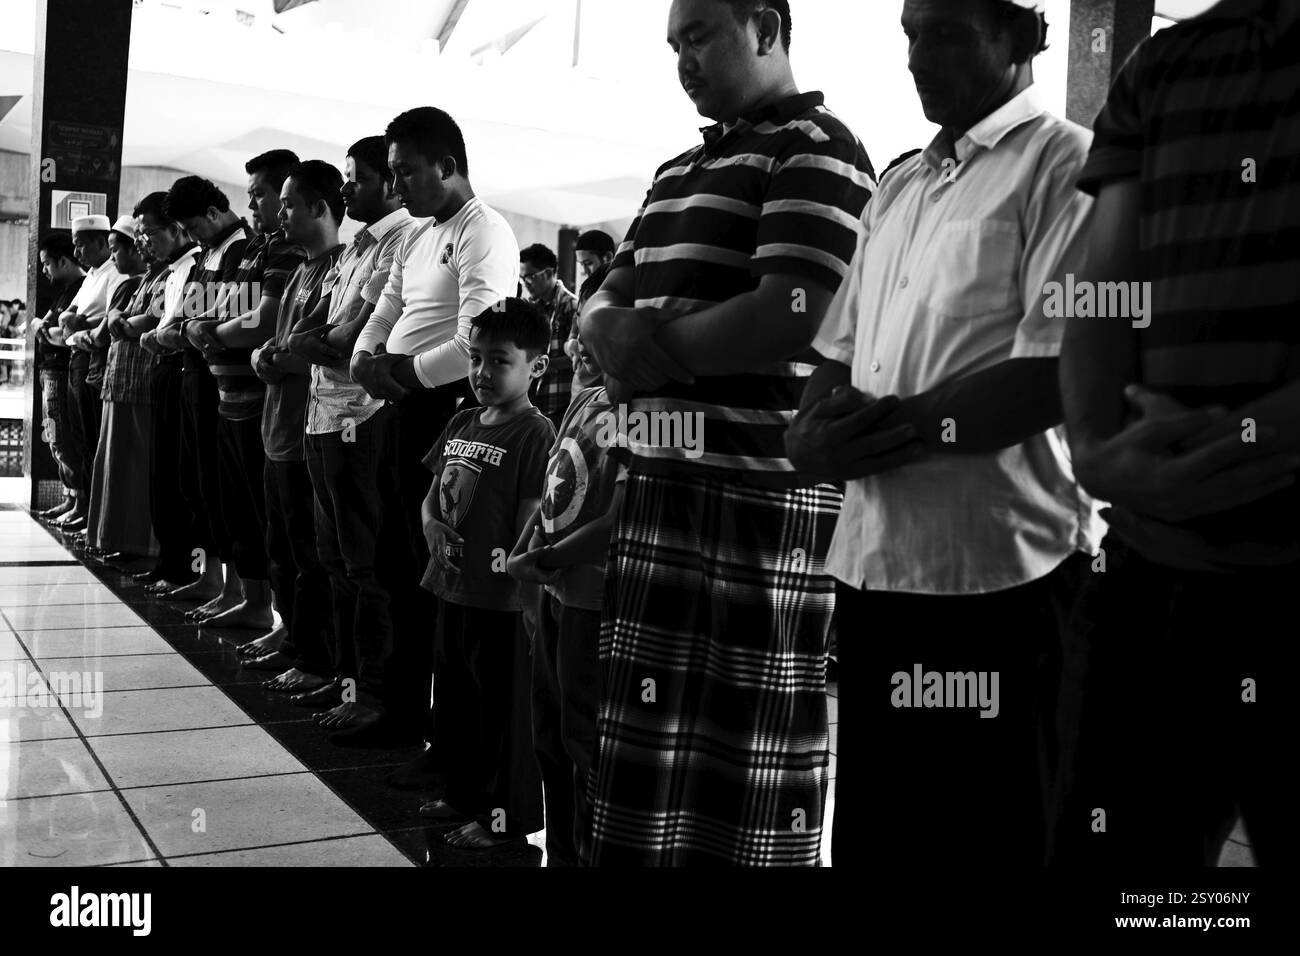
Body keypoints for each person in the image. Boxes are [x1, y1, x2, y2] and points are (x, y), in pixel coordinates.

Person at [786, 0, 1098, 868]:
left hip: (1001, 582)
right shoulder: (899, 184)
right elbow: (840, 351)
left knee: (999, 835)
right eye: (910, 34)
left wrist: (879, 437)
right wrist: (808, 437)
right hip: (879, 571)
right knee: (886, 833)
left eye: (947, 33)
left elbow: (1052, 371)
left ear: (1023, 36)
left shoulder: (1065, 164)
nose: (918, 57)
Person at [579, 0, 875, 866]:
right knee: (642, 759)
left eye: (700, 36)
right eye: (674, 44)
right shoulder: (676, 169)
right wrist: (608, 327)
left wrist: (644, 345)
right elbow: (607, 295)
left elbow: (794, 308)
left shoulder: (816, 148)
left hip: (760, 496)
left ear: (765, 27)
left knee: (750, 760)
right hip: (658, 485)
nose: (684, 60)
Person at [1052, 0, 1300, 868]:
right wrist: (1090, 449)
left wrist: (1263, 431)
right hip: (1150, 578)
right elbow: (1103, 278)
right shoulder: (1164, 63)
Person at [352, 107, 519, 748]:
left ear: (447, 166)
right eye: (392, 175)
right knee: (396, 566)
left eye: (407, 174)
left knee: (440, 575)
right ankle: (399, 714)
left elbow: (475, 342)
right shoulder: (419, 234)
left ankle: (448, 739)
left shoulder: (485, 232)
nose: (398, 188)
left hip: (448, 411)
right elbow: (387, 305)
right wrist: (367, 358)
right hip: (400, 404)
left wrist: (406, 374)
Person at [287, 137, 416, 739]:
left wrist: (312, 344)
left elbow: (353, 338)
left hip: (358, 419)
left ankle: (375, 695)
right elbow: (322, 325)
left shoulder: (400, 240)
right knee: (333, 557)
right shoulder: (356, 247)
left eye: (356, 180)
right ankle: (343, 679)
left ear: (390, 184)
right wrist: (311, 343)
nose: (346, 190)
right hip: (321, 412)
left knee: (365, 565)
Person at [415, 298, 552, 851]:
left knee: (503, 715)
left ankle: (505, 817)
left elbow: (530, 524)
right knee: (456, 701)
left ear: (535, 368)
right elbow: (430, 499)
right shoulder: (462, 420)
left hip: (501, 599)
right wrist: (429, 526)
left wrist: (529, 603)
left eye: (500, 361)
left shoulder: (534, 433)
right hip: (451, 586)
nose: (481, 372)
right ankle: (463, 793)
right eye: (476, 359)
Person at [509, 312, 626, 867]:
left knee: (585, 744)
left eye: (594, 336)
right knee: (548, 739)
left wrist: (548, 558)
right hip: (552, 593)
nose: (578, 345)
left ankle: (585, 854)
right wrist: (526, 553)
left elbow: (620, 519)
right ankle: (559, 854)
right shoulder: (585, 400)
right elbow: (554, 482)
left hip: (590, 600)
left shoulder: (643, 414)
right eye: (578, 332)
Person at [183, 151, 306, 638]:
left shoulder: (270, 250)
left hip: (260, 399)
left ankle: (277, 616)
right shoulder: (253, 249)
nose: (250, 201)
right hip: (227, 394)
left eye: (258, 193)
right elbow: (221, 310)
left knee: (268, 517)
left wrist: (213, 330)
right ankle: (249, 599)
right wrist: (214, 326)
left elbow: (263, 319)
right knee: (233, 506)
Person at [244, 160, 345, 709]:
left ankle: (317, 658)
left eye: (286, 203)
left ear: (319, 208)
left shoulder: (338, 270)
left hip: (310, 428)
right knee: (280, 549)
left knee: (312, 558)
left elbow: (320, 347)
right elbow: (281, 342)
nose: (278, 213)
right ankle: (291, 637)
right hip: (276, 425)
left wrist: (274, 355)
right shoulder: (302, 268)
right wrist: (268, 354)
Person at [153, 176, 252, 622]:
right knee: (198, 483)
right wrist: (183, 330)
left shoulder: (239, 249)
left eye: (192, 228)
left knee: (224, 489)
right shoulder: (209, 252)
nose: (191, 239)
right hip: (194, 374)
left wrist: (186, 330)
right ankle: (211, 578)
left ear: (213, 214)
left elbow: (219, 317)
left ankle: (238, 591)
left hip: (223, 384)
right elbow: (183, 320)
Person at [136, 192, 204, 595]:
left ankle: (185, 568)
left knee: (181, 477)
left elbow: (187, 324)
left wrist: (160, 336)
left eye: (151, 234)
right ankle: (168, 561)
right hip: (163, 368)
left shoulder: (196, 264)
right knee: (161, 472)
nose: (146, 242)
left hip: (182, 372)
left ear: (177, 228)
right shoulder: (170, 270)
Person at [82, 215, 155, 563]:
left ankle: (138, 543)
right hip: (119, 384)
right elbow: (116, 323)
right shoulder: (136, 284)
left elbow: (148, 322)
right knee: (113, 461)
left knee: (136, 465)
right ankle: (114, 537)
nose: (115, 258)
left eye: (118, 249)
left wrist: (120, 323)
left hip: (141, 386)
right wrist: (119, 323)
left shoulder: (163, 279)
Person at [55, 215, 123, 534]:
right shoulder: (91, 276)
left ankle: (92, 511)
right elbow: (68, 315)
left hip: (95, 361)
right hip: (77, 357)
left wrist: (77, 323)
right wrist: (75, 320)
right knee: (80, 436)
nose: (77, 251)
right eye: (75, 245)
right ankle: (83, 504)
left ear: (101, 243)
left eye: (82, 244)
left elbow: (99, 325)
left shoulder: (115, 274)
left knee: (93, 438)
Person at [33, 233, 86, 525]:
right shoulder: (66, 290)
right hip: (51, 371)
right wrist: (44, 329)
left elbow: (60, 335)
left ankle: (79, 500)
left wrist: (43, 329)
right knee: (54, 436)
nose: (44, 271)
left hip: (63, 370)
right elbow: (47, 328)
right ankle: (70, 495)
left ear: (63, 261)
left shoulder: (80, 287)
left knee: (63, 436)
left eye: (47, 264)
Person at [520, 243, 579, 430]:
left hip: (560, 403)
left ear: (548, 273)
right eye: (522, 278)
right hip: (533, 402)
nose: (526, 282)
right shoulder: (529, 307)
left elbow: (581, 358)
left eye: (529, 276)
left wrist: (545, 365)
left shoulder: (572, 306)